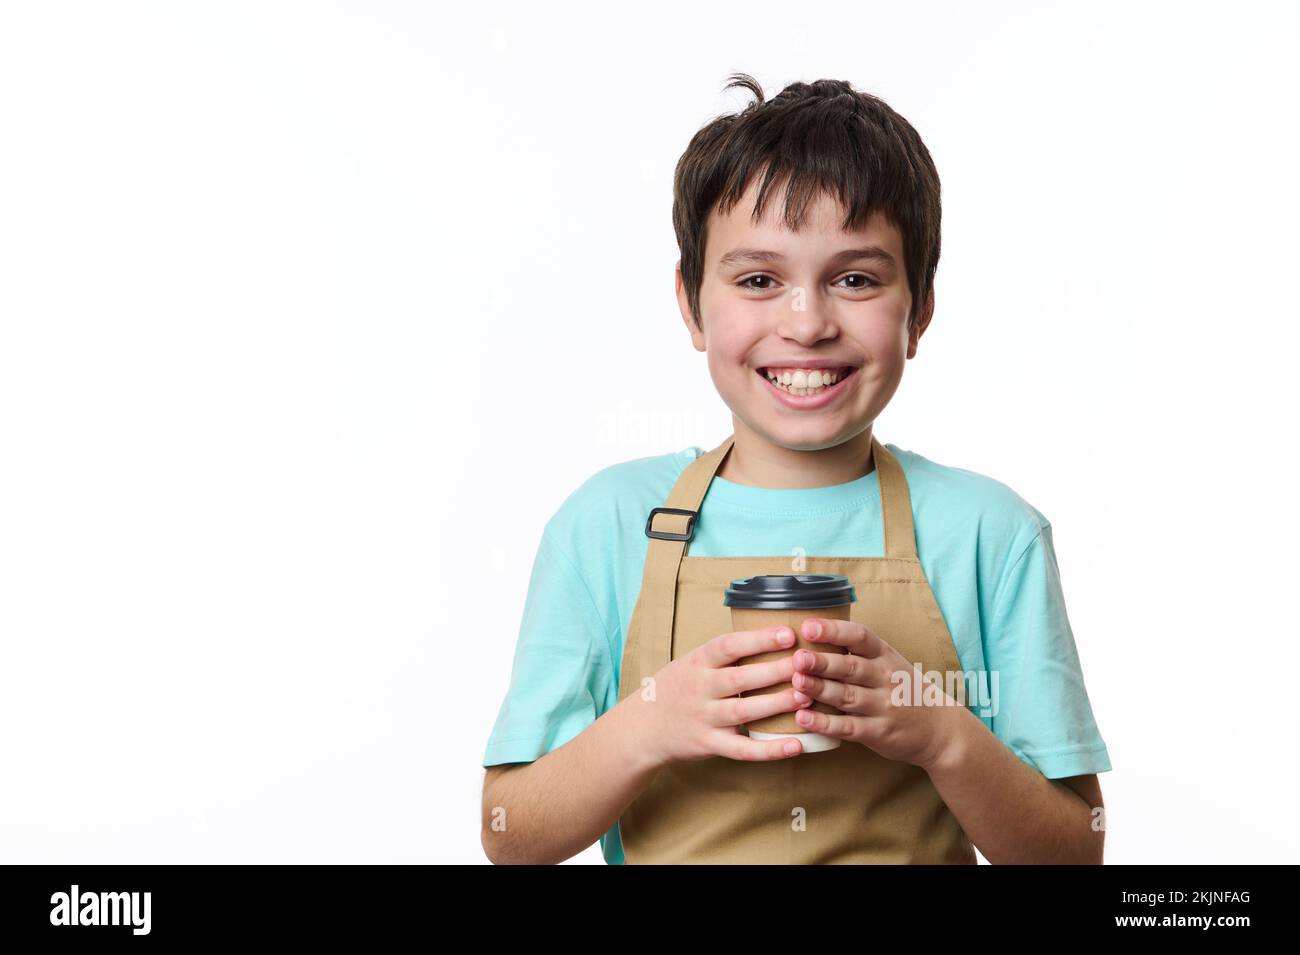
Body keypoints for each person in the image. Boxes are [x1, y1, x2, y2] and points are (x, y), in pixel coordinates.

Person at [480, 73, 1110, 864]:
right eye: (757, 280)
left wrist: (940, 731)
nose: (806, 322)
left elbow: (1075, 848)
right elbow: (509, 833)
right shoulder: (606, 525)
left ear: (919, 312)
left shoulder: (991, 534)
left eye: (855, 278)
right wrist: (649, 720)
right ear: (691, 305)